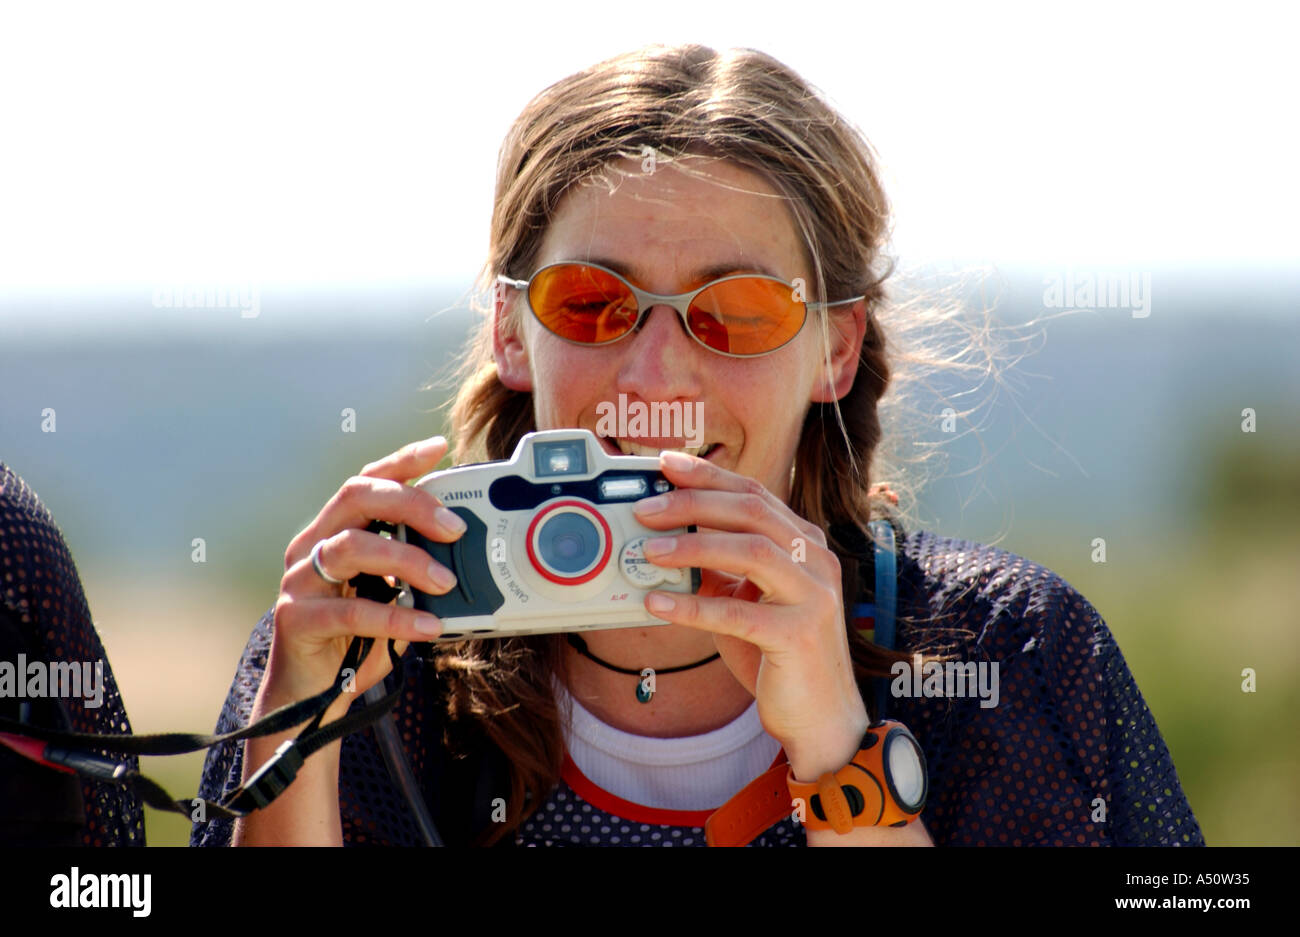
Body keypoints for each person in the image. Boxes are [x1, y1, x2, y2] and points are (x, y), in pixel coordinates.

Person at [194, 44, 1204, 847]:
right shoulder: (377, 647)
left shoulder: (999, 653)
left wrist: (837, 751)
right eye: (593, 303)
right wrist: (297, 723)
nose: (655, 376)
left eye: (735, 311)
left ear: (835, 348)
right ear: (511, 332)